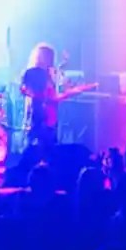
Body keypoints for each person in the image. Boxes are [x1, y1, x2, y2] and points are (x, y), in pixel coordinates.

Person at [16, 43, 96, 180]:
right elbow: (32, 93)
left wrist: (73, 91)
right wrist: (73, 92)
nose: (51, 59)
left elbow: (51, 96)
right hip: (40, 118)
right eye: (48, 56)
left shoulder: (48, 74)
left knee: (46, 150)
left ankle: (40, 179)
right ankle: (34, 179)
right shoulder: (34, 73)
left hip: (49, 118)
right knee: (41, 151)